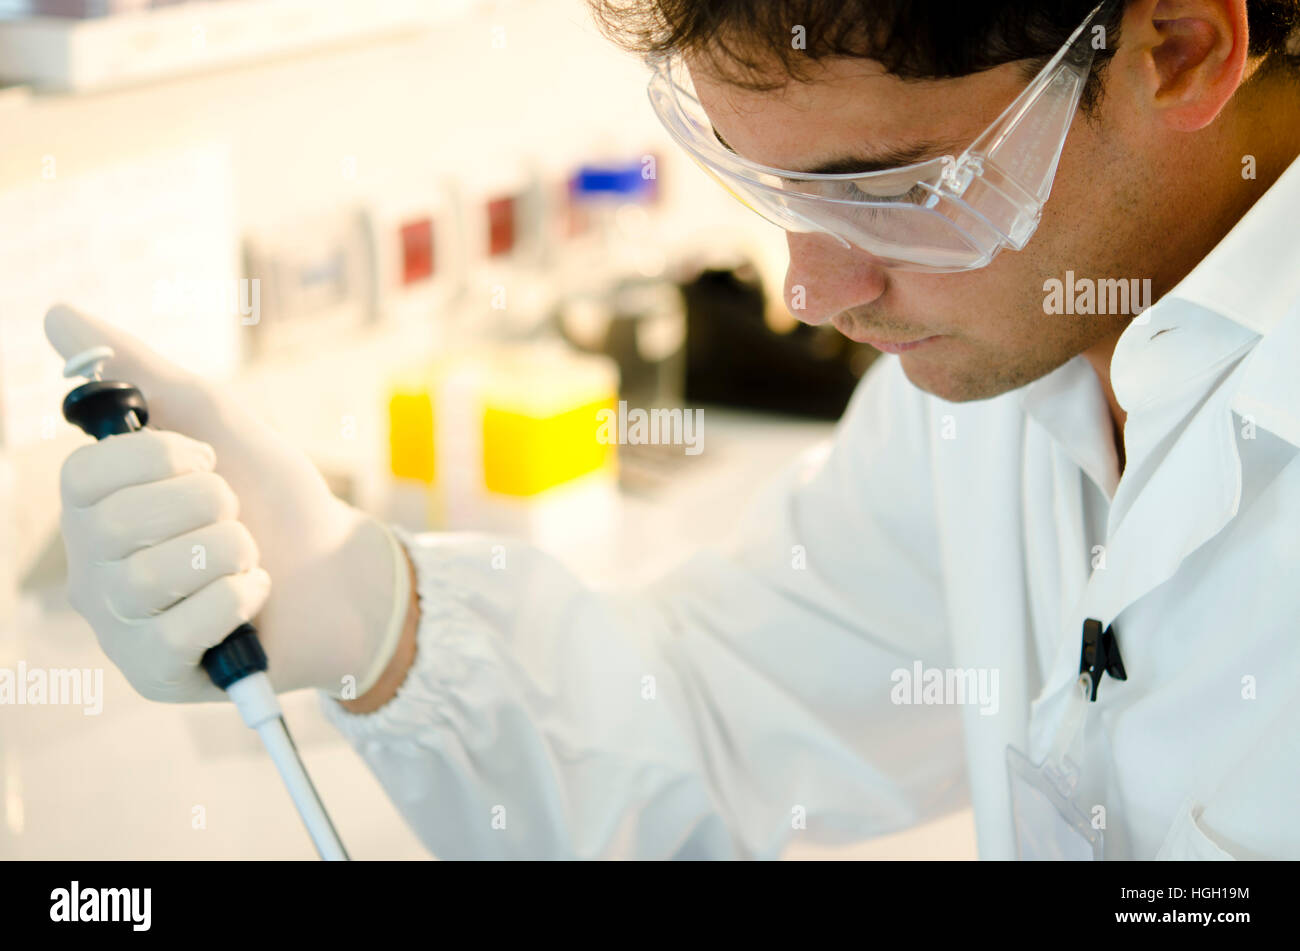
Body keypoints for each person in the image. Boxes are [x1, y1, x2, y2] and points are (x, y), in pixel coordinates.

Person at [48, 0, 1300, 859]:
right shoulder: (1004, 375)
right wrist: (365, 610)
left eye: (894, 193)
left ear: (1180, 46)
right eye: (767, 189)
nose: (813, 293)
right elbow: (717, 711)